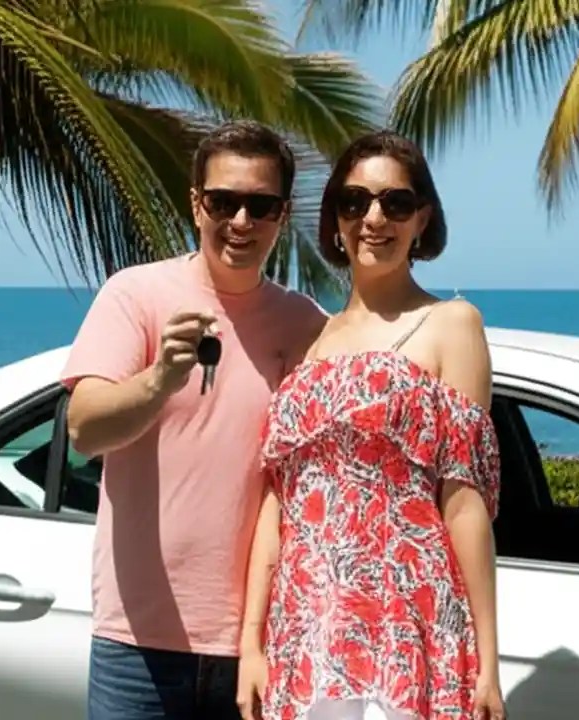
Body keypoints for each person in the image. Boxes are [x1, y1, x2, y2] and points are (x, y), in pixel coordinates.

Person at [61, 120, 328, 720]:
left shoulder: (305, 324)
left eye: (260, 206)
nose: (240, 222)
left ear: (282, 215)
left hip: (263, 643)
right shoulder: (136, 295)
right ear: (195, 203)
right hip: (139, 642)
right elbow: (85, 428)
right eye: (223, 202)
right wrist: (160, 379)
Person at [237, 130, 506, 720]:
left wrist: (488, 660)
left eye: (395, 203)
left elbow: (464, 503)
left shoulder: (452, 323)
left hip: (406, 616)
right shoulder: (311, 336)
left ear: (422, 219)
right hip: (304, 624)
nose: (374, 218)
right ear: (335, 219)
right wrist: (250, 643)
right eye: (354, 202)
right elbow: (279, 503)